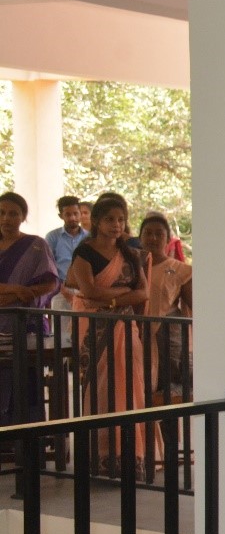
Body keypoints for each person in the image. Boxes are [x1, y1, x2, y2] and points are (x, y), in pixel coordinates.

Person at [68, 192, 148, 476]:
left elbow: (144, 291)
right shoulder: (85, 252)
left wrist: (112, 299)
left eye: (121, 219)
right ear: (98, 222)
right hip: (92, 327)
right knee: (100, 390)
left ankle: (128, 458)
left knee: (128, 387)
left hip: (125, 328)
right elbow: (89, 291)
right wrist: (123, 294)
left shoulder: (130, 252)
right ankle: (99, 459)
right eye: (110, 219)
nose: (116, 225)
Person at [0, 191, 59, 425]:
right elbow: (17, 291)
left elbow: (52, 282)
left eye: (13, 213)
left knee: (26, 381)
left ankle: (29, 441)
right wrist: (15, 290)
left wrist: (27, 294)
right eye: (2, 213)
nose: (6, 219)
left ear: (23, 216)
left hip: (26, 326)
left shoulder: (35, 245)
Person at [139, 212, 193, 401]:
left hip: (167, 337)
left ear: (168, 239)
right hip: (134, 335)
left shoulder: (180, 270)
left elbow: (193, 305)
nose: (153, 238)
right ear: (140, 237)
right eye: (148, 233)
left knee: (165, 392)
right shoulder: (129, 266)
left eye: (159, 234)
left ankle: (166, 431)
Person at [45, 195, 87, 313]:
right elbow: (48, 265)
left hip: (84, 290)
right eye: (68, 214)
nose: (72, 218)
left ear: (80, 214)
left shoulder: (89, 237)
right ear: (61, 216)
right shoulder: (52, 237)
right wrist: (59, 287)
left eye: (75, 213)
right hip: (61, 290)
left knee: (83, 328)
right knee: (61, 330)